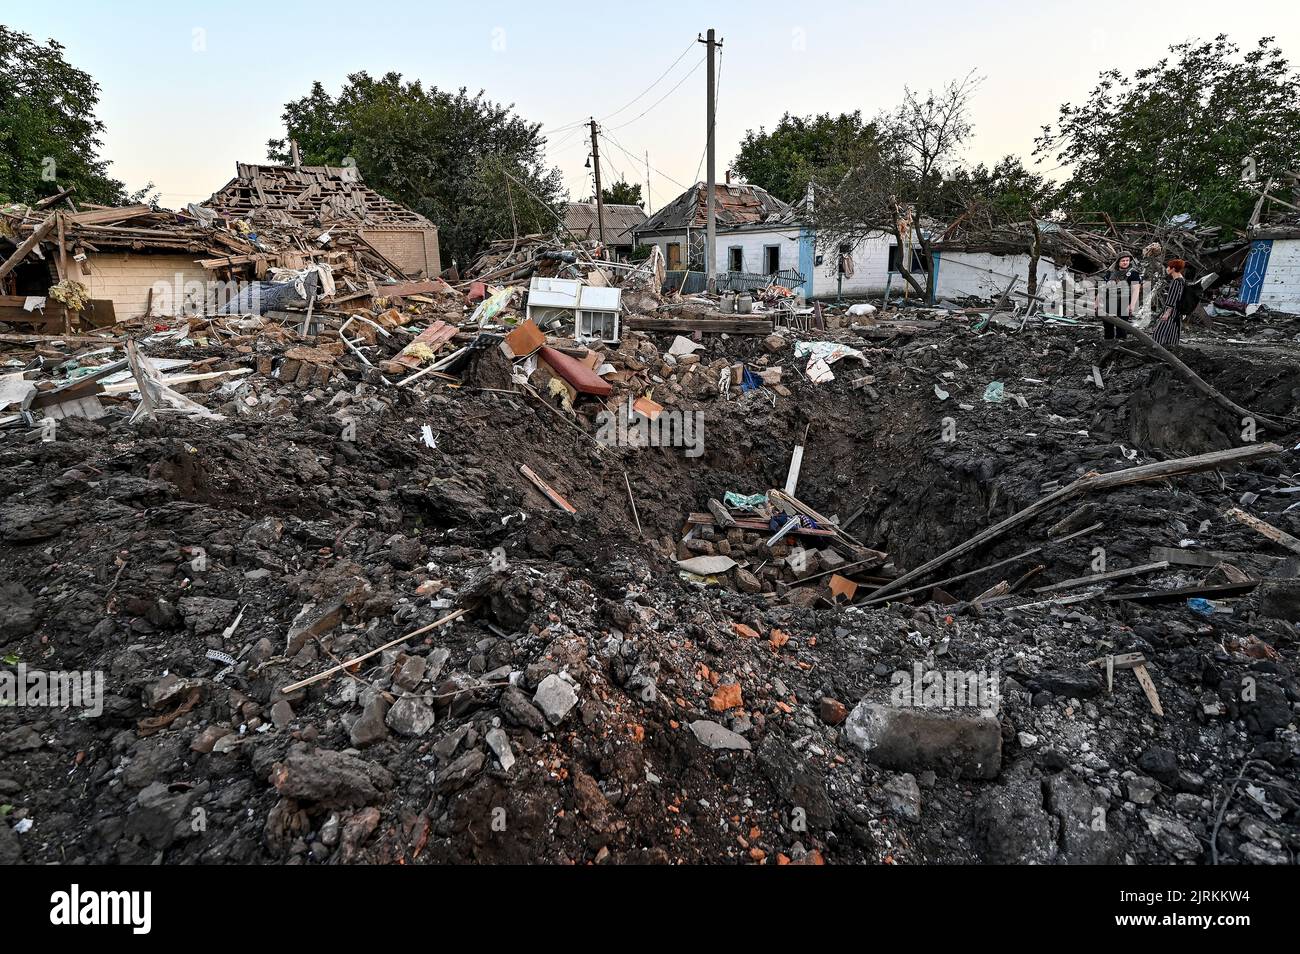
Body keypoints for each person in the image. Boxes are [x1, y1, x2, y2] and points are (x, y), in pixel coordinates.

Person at [1098, 253, 1142, 339]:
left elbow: (1136, 290)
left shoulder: (1133, 274)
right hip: (1109, 299)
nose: (1125, 262)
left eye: (1127, 260)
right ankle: (1108, 342)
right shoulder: (1110, 273)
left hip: (1124, 301)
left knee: (1121, 325)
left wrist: (1132, 305)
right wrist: (1097, 302)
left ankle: (1121, 344)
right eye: (1123, 261)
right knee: (1108, 324)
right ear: (1118, 262)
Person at [1152, 259, 1187, 347]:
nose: (1167, 269)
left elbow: (1173, 298)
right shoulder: (1183, 280)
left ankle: (1156, 349)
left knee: (1159, 331)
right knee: (1173, 331)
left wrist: (1167, 313)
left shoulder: (1176, 282)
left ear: (1173, 269)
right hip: (1177, 311)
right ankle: (1172, 348)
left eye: (1168, 267)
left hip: (1171, 311)